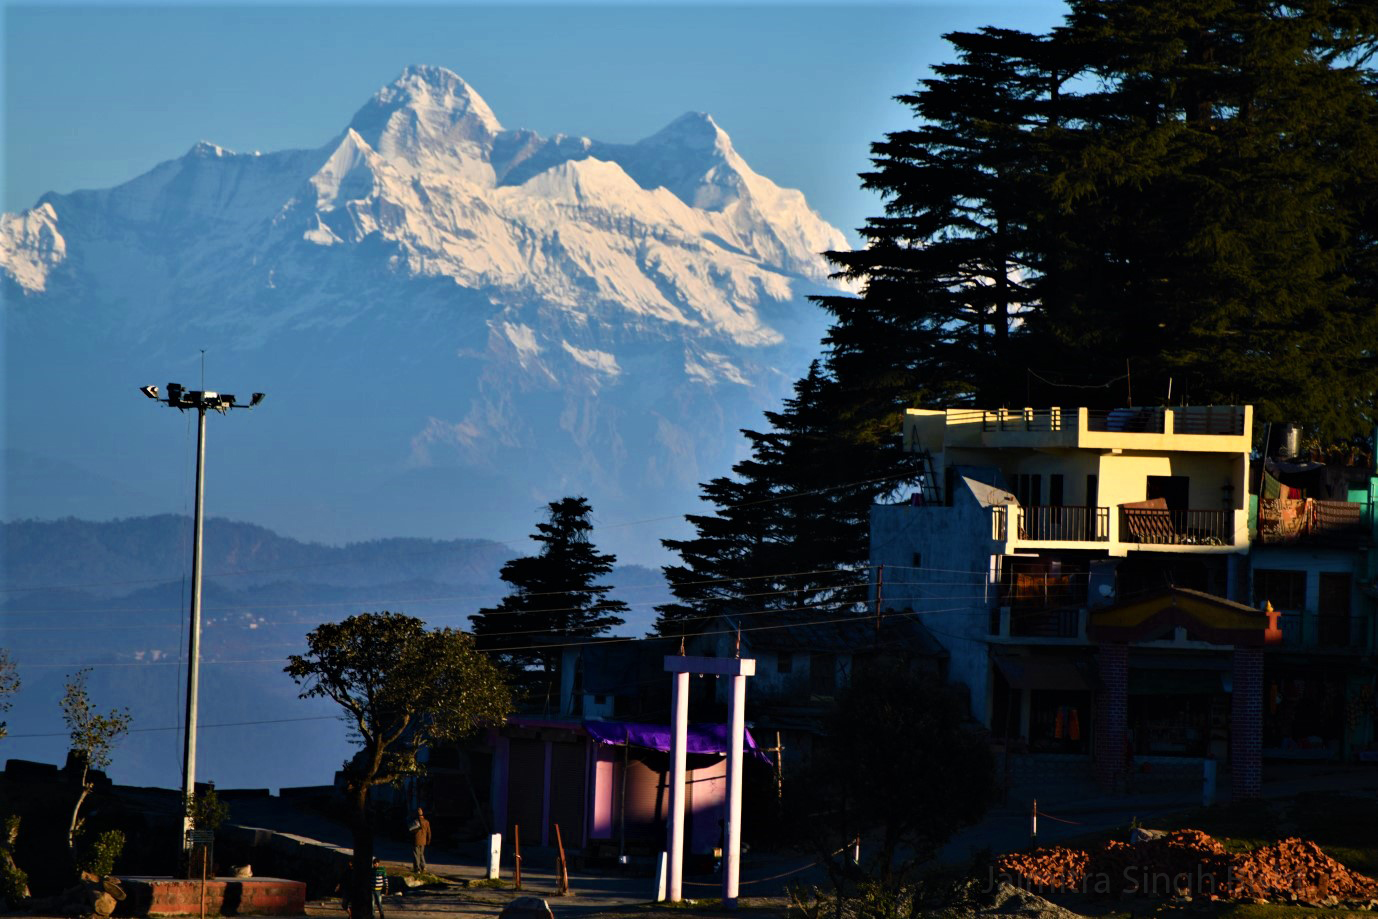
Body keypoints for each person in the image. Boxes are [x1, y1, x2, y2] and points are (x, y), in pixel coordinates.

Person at [408, 807, 431, 874]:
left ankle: (417, 869)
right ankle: (424, 867)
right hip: (423, 841)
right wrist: (428, 840)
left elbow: (411, 831)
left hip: (416, 841)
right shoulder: (426, 822)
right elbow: (429, 832)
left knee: (416, 855)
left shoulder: (415, 821)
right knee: (421, 854)